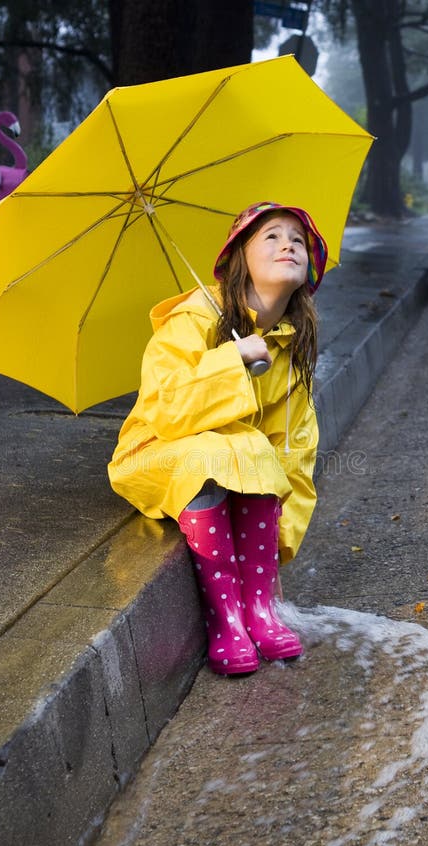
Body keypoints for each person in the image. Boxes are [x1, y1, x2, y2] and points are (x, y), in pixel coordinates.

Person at [107, 201, 327, 675]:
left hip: (239, 468)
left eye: (297, 239)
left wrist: (274, 562)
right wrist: (233, 361)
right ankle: (226, 619)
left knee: (251, 448)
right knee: (224, 448)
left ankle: (258, 609)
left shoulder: (290, 348)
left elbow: (293, 453)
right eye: (271, 236)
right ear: (238, 258)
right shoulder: (196, 317)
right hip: (159, 454)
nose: (288, 243)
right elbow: (165, 405)